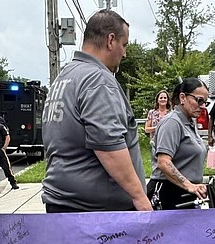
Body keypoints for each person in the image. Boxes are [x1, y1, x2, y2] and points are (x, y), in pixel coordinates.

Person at [40, 9, 151, 212]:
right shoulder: (97, 79)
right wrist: (139, 197)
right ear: (111, 41)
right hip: (95, 217)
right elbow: (108, 146)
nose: (124, 53)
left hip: (63, 205)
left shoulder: (65, 76)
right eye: (124, 45)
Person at [148, 78, 209, 210]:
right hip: (169, 194)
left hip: (185, 194)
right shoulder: (172, 123)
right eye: (199, 100)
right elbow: (163, 162)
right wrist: (188, 185)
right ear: (183, 97)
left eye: (205, 102)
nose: (202, 106)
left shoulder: (189, 122)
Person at [144, 89, 171, 164]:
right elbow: (146, 129)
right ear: (157, 100)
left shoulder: (171, 113)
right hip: (155, 143)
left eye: (165, 98)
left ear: (167, 100)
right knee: (156, 164)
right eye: (161, 98)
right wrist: (157, 128)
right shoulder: (152, 113)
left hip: (168, 142)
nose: (163, 99)